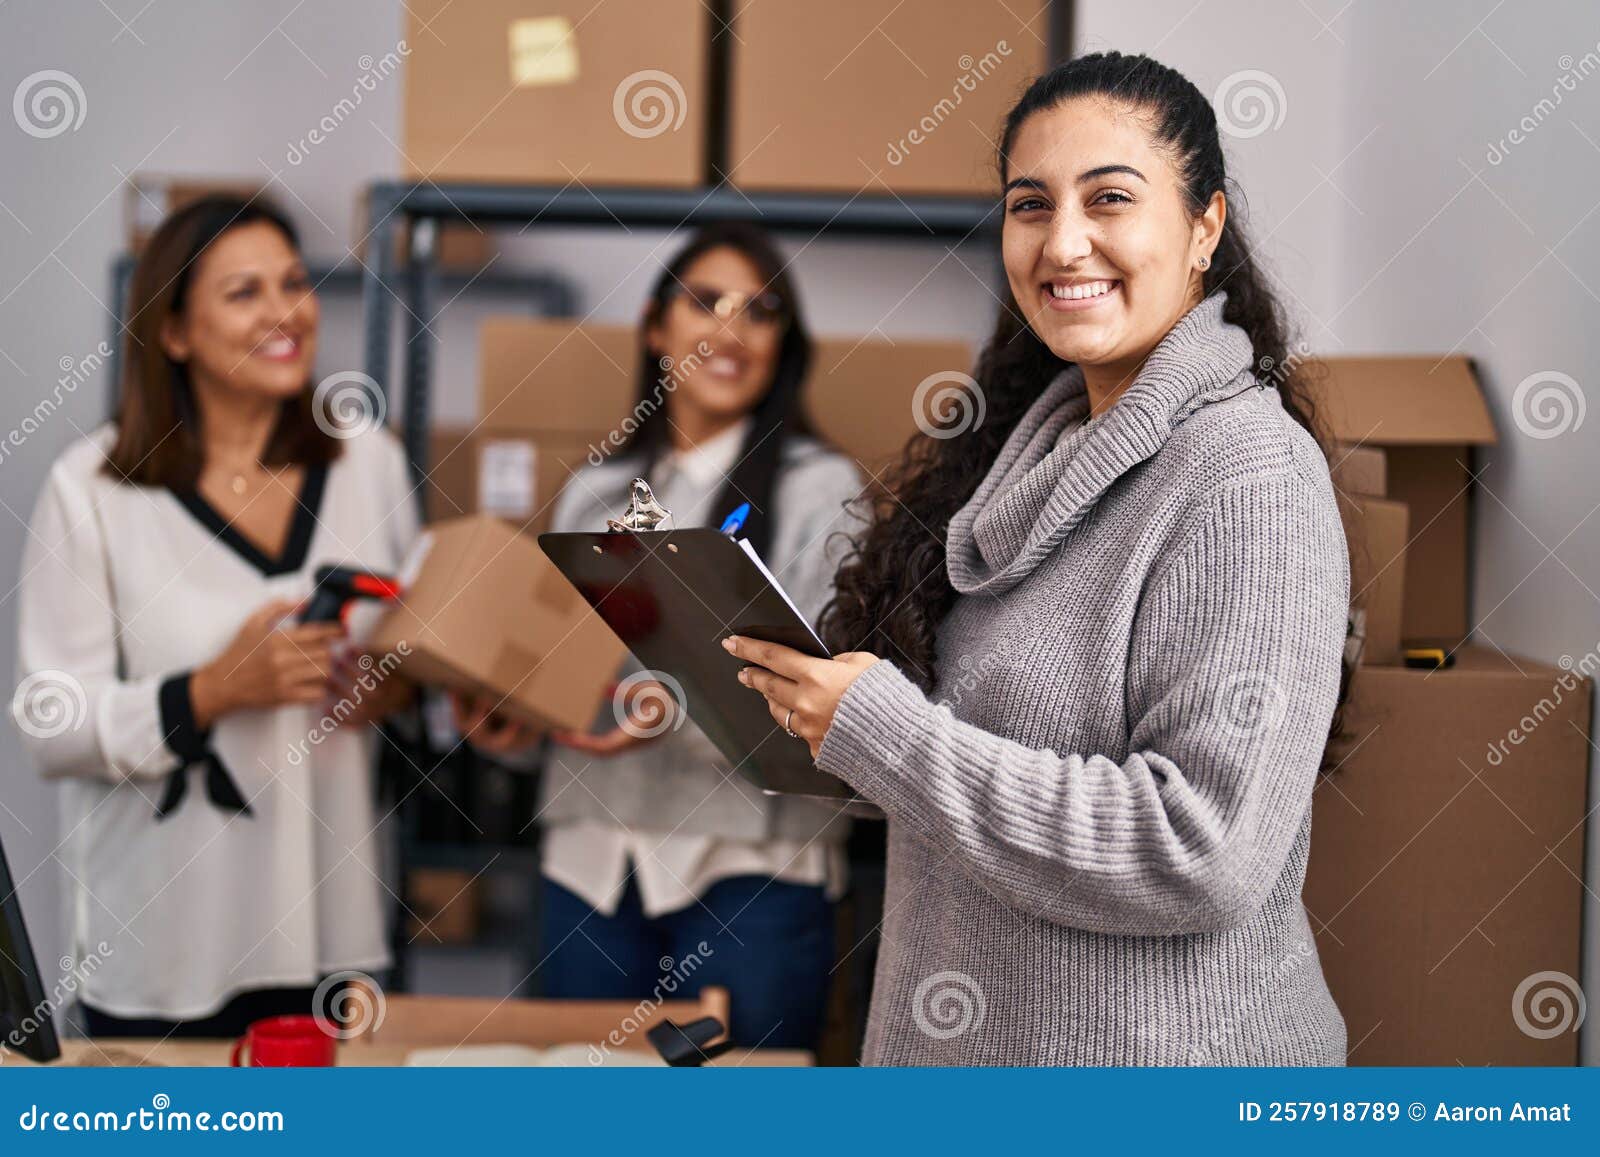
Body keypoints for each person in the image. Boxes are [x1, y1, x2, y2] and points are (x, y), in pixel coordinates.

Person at [725, 52, 1351, 1065]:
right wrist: (823, 718)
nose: (1062, 242)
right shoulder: (1028, 455)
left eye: (1110, 198)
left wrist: (890, 734)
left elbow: (1202, 851)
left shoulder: (1249, 476)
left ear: (1205, 227)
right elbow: (968, 783)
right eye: (1030, 205)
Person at [14, 195, 419, 1037]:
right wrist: (214, 688)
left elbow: (407, 661)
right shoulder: (90, 489)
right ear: (173, 332)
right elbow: (55, 727)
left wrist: (389, 688)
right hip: (164, 945)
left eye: (294, 284)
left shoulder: (368, 463)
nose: (286, 312)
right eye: (244, 293)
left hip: (326, 936)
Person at [456, 222, 862, 1051]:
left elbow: (814, 696)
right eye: (705, 302)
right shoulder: (593, 493)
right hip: (593, 863)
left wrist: (659, 706)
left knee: (743, 1105)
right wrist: (515, 722)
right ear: (654, 326)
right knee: (587, 1104)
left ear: (784, 345)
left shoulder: (822, 491)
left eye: (760, 312)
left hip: (750, 865)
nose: (731, 331)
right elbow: (561, 675)